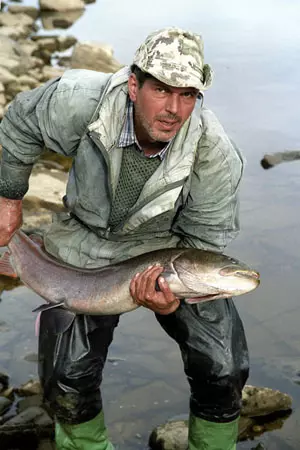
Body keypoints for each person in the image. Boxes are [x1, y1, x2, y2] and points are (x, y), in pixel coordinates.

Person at [0, 27, 249, 450]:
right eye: (162, 90)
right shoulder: (80, 101)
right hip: (85, 238)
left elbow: (202, 241)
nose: (174, 108)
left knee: (223, 365)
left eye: (188, 94)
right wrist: (7, 198)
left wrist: (174, 297)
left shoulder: (215, 155)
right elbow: (20, 123)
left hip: (170, 248)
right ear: (134, 85)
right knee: (66, 377)